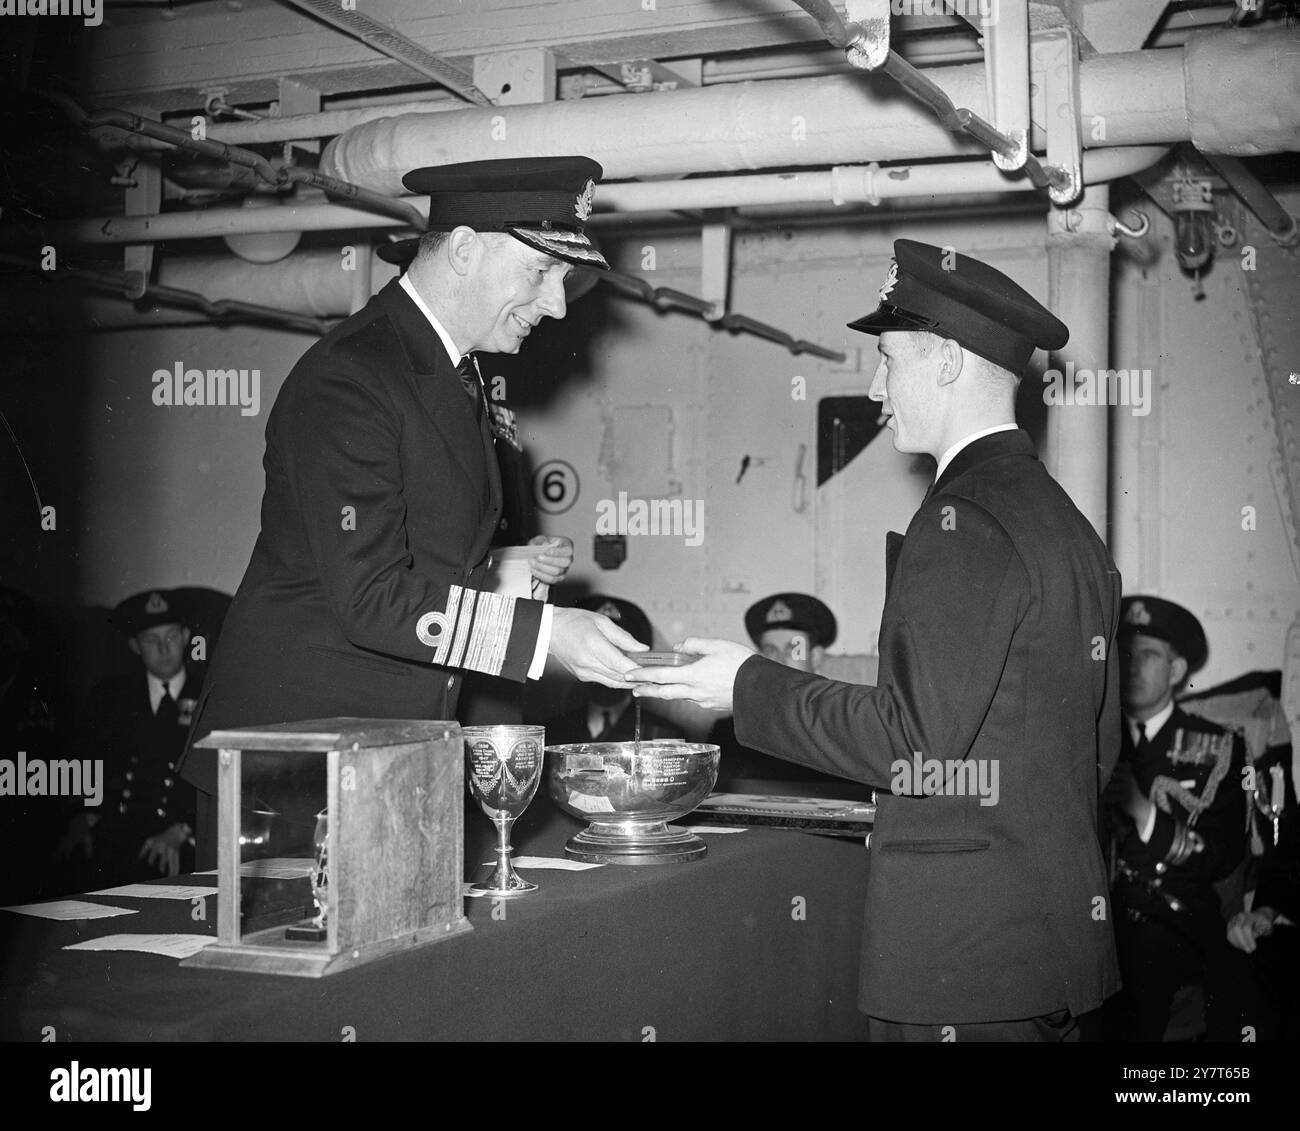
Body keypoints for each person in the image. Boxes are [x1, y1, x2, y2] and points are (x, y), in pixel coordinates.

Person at [631, 239, 1122, 1041]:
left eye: (888, 359)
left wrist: (745, 685)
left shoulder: (966, 519)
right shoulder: (1068, 528)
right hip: (1041, 951)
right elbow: (1098, 747)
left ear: (950, 363)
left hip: (960, 967)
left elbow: (911, 740)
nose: (873, 386)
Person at [178, 157, 644, 868]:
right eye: (539, 273)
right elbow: (368, 593)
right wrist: (545, 634)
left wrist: (498, 570)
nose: (556, 305)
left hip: (382, 750)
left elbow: (415, 551)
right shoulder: (354, 375)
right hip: (291, 763)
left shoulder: (448, 372)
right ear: (463, 249)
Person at [1106, 595, 1257, 1041]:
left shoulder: (1216, 747)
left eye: (1148, 655)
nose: (1132, 667)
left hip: (1175, 922)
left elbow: (1222, 854)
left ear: (1176, 671)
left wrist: (1142, 811)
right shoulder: (1090, 738)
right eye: (1125, 655)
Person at [58, 589, 200, 885]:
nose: (164, 648)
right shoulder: (110, 696)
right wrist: (80, 816)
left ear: (186, 637)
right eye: (151, 639)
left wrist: (184, 829)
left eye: (171, 636)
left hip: (178, 836)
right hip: (113, 832)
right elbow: (81, 760)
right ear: (135, 645)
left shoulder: (207, 696)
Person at [709, 593, 852, 790]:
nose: (780, 661)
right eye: (771, 651)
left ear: (816, 657)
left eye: (794, 650)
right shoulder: (730, 730)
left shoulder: (837, 725)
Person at [546, 596, 685, 745]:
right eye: (596, 656)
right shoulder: (554, 730)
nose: (607, 665)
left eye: (619, 654)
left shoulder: (664, 734)